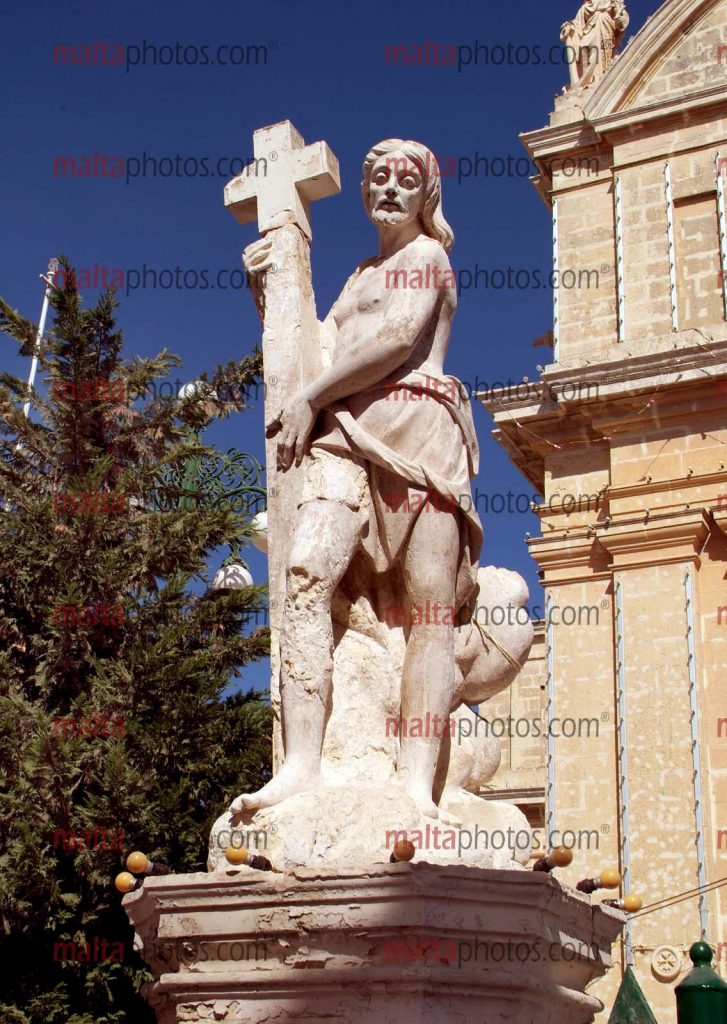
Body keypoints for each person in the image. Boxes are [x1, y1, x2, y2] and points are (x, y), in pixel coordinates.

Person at [232, 139, 482, 819]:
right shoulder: (356, 277)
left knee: (427, 609)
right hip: (343, 438)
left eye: (406, 180)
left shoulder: (425, 258)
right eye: (378, 178)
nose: (389, 190)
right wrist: (273, 293)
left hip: (420, 435)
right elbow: (321, 349)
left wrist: (311, 396)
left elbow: (398, 341)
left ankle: (413, 783)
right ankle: (300, 765)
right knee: (306, 575)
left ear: (426, 194)